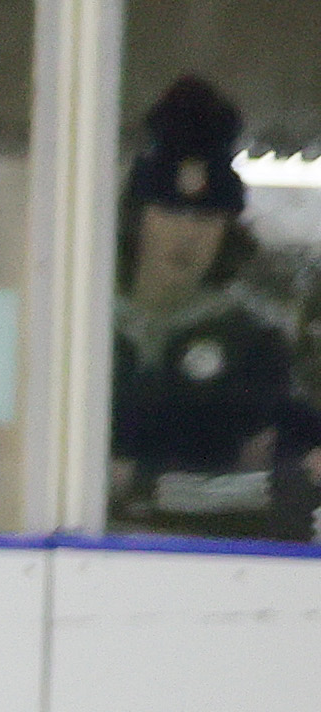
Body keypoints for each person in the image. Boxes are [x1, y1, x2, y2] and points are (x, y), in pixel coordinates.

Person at [109, 76, 321, 540]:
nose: (188, 235)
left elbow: (288, 478)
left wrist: (141, 485)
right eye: (169, 212)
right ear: (137, 216)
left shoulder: (253, 343)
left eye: (207, 217)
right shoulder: (83, 328)